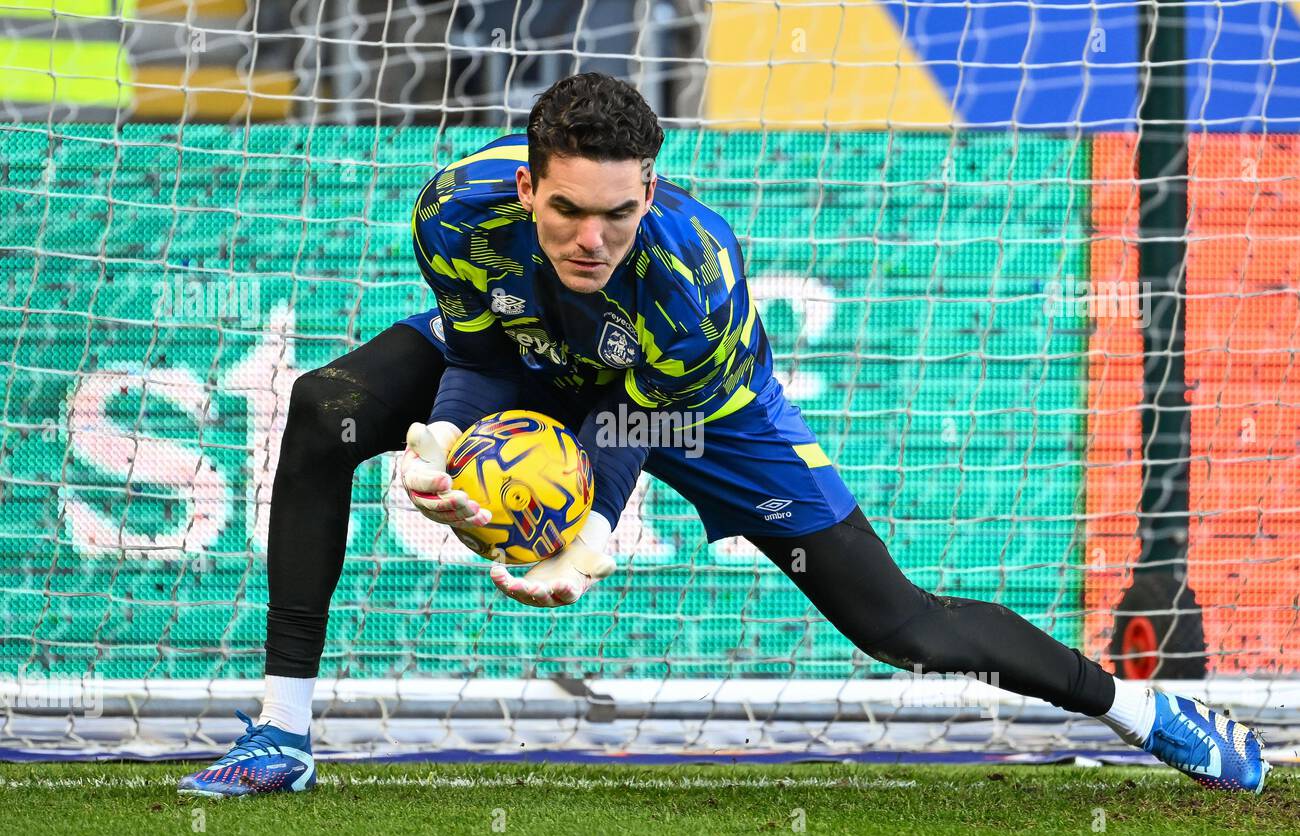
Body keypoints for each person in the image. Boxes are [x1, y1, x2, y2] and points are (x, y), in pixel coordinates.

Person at [178, 73, 1270, 797]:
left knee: (903, 627)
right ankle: (281, 729)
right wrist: (448, 457)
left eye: (619, 211)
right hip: (535, 354)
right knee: (326, 409)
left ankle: (1142, 708)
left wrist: (581, 536)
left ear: (649, 190)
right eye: (567, 212)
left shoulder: (691, 270)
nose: (593, 236)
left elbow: (633, 417)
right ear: (527, 186)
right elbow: (476, 348)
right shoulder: (455, 214)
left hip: (700, 406)